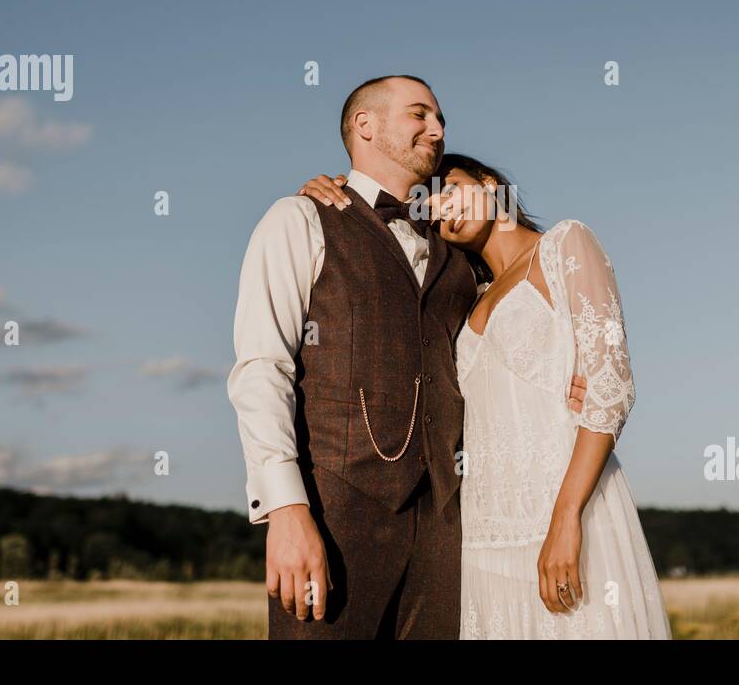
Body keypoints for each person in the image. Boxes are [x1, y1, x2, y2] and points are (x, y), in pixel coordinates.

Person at [227, 74, 588, 638]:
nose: (438, 130)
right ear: (363, 126)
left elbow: (518, 340)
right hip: (334, 516)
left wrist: (574, 380)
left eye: (441, 119)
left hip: (451, 530)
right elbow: (261, 368)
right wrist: (285, 511)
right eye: (419, 114)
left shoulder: (462, 252)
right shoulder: (298, 220)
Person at [297, 153, 671, 638]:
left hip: (562, 511)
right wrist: (340, 195)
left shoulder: (565, 245)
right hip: (482, 532)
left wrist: (565, 521)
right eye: (432, 212)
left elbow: (610, 389)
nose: (444, 212)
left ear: (489, 183)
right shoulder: (468, 292)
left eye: (449, 190)